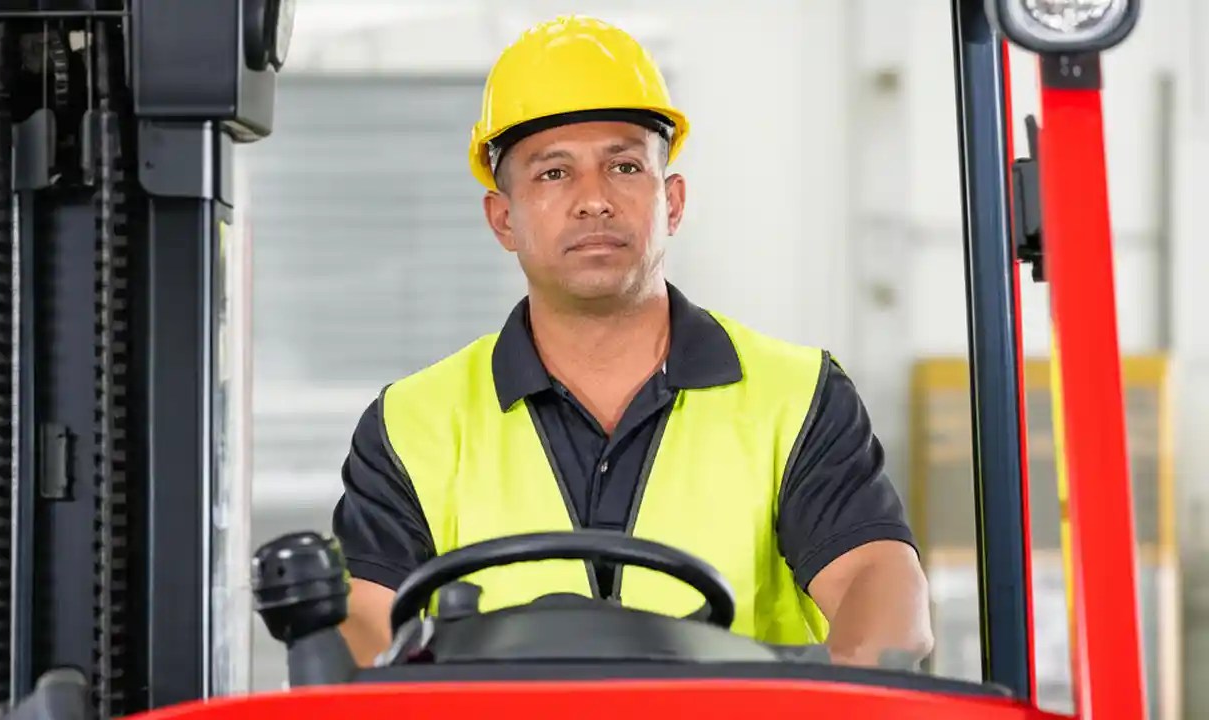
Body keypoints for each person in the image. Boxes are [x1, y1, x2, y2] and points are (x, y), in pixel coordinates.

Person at [331, 15, 933, 669]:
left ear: (671, 202)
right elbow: (363, 624)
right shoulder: (412, 423)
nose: (594, 200)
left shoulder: (796, 396)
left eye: (623, 166)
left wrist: (866, 676)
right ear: (503, 218)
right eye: (554, 174)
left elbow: (876, 578)